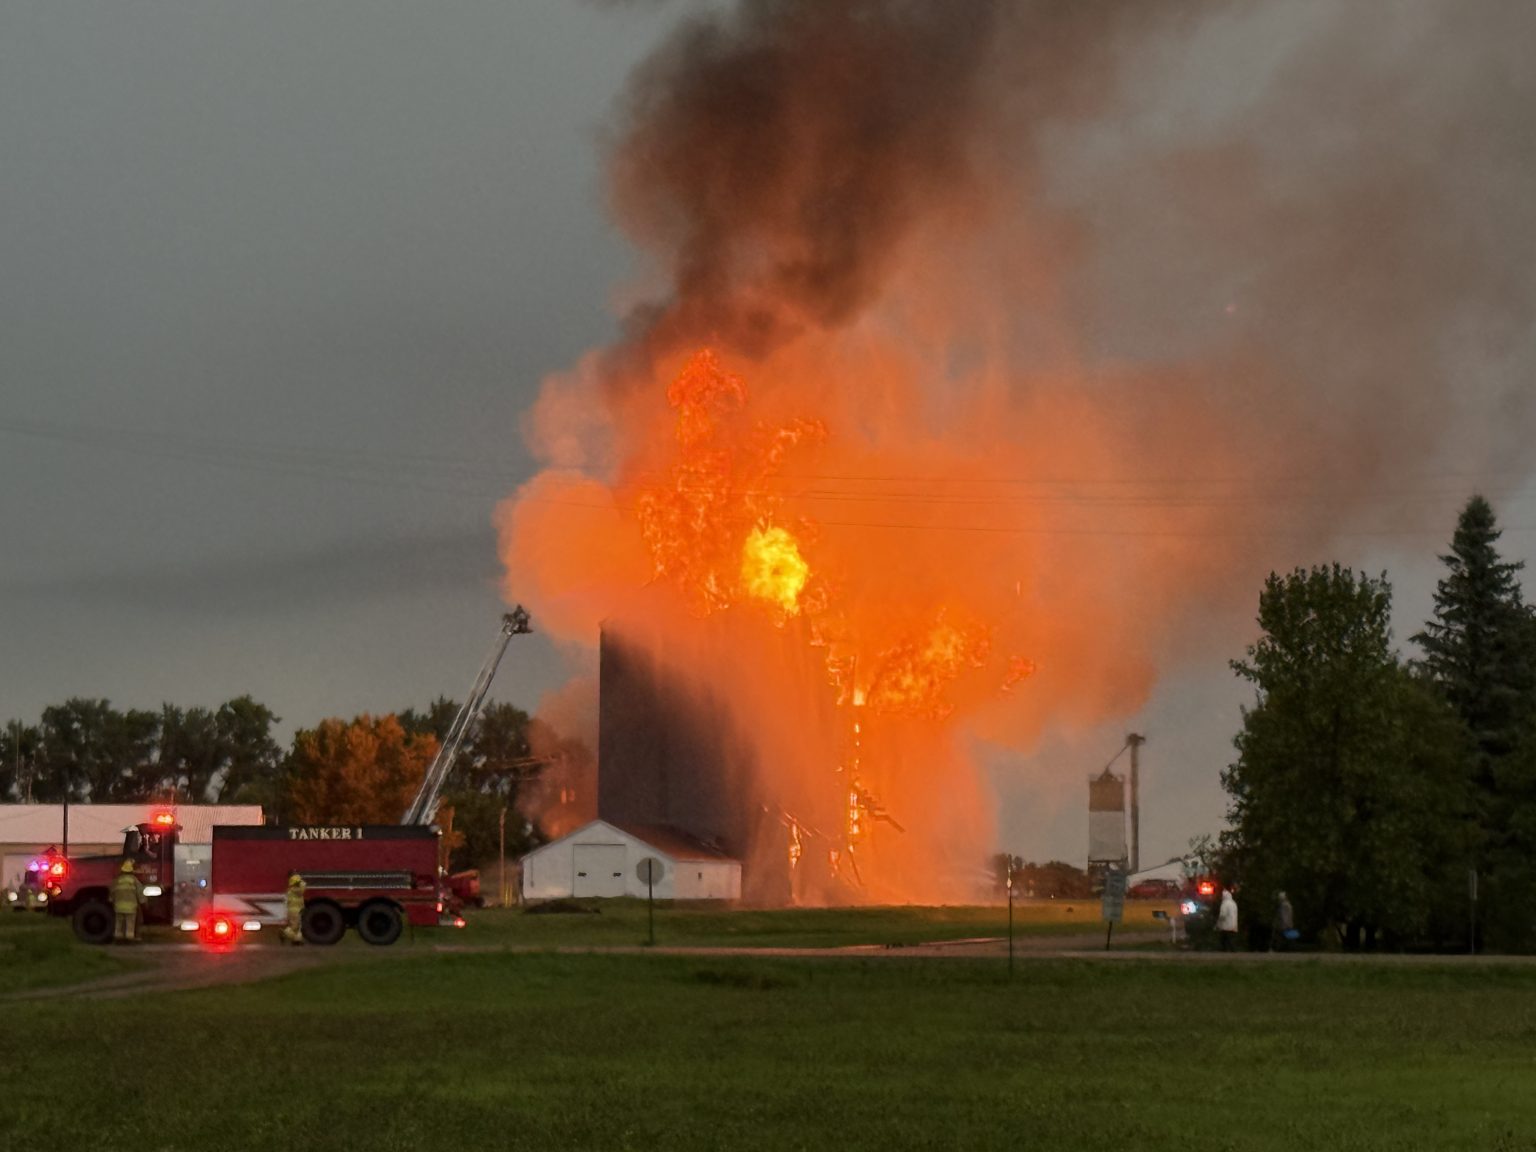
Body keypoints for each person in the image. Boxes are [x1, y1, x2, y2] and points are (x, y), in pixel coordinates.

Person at [111, 859, 144, 944]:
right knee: (130, 925)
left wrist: (112, 901)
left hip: (118, 907)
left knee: (119, 924)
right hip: (131, 908)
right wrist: (143, 902)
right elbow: (140, 893)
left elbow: (112, 893)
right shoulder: (134, 880)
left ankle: (118, 939)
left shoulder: (117, 880)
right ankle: (129, 940)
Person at [282, 871, 306, 945]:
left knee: (297, 927)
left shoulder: (289, 891)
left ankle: (297, 940)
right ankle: (285, 933)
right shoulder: (300, 887)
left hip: (291, 909)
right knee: (295, 926)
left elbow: (286, 901)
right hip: (297, 910)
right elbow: (302, 888)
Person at [1217, 887, 1239, 951]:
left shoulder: (1224, 904)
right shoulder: (1233, 903)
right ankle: (1229, 950)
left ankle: (1227, 950)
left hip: (1226, 925)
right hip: (1233, 924)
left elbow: (1222, 915)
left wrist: (1218, 923)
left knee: (1225, 938)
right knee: (1229, 938)